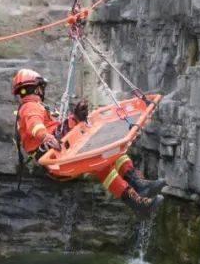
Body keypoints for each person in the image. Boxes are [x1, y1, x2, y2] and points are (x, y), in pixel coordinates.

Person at [12, 69, 164, 217]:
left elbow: (59, 131)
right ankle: (137, 190)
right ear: (37, 88)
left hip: (61, 155)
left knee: (106, 160)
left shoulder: (33, 108)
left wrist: (75, 119)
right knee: (106, 155)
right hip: (57, 158)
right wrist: (45, 136)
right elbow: (35, 126)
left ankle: (137, 194)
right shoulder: (30, 107)